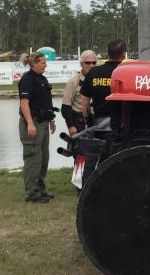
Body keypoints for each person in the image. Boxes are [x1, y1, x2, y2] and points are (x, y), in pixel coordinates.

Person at [79, 38, 127, 187]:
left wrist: (87, 120)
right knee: (118, 157)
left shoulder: (94, 73)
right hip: (121, 124)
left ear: (107, 53)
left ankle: (86, 187)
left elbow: (84, 101)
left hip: (98, 123)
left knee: (93, 157)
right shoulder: (126, 73)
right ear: (124, 54)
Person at [18, 51, 57, 203]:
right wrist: (30, 123)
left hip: (44, 122)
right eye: (43, 62)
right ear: (34, 64)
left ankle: (40, 190)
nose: (45, 64)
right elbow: (24, 103)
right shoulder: (27, 79)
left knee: (43, 158)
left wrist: (52, 120)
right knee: (33, 158)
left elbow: (46, 102)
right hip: (33, 123)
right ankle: (31, 194)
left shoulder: (42, 79)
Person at [60, 50, 97, 135]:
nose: (91, 65)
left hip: (96, 121)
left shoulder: (98, 80)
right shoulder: (73, 82)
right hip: (79, 123)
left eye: (94, 63)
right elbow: (65, 107)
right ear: (81, 64)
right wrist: (70, 126)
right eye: (88, 63)